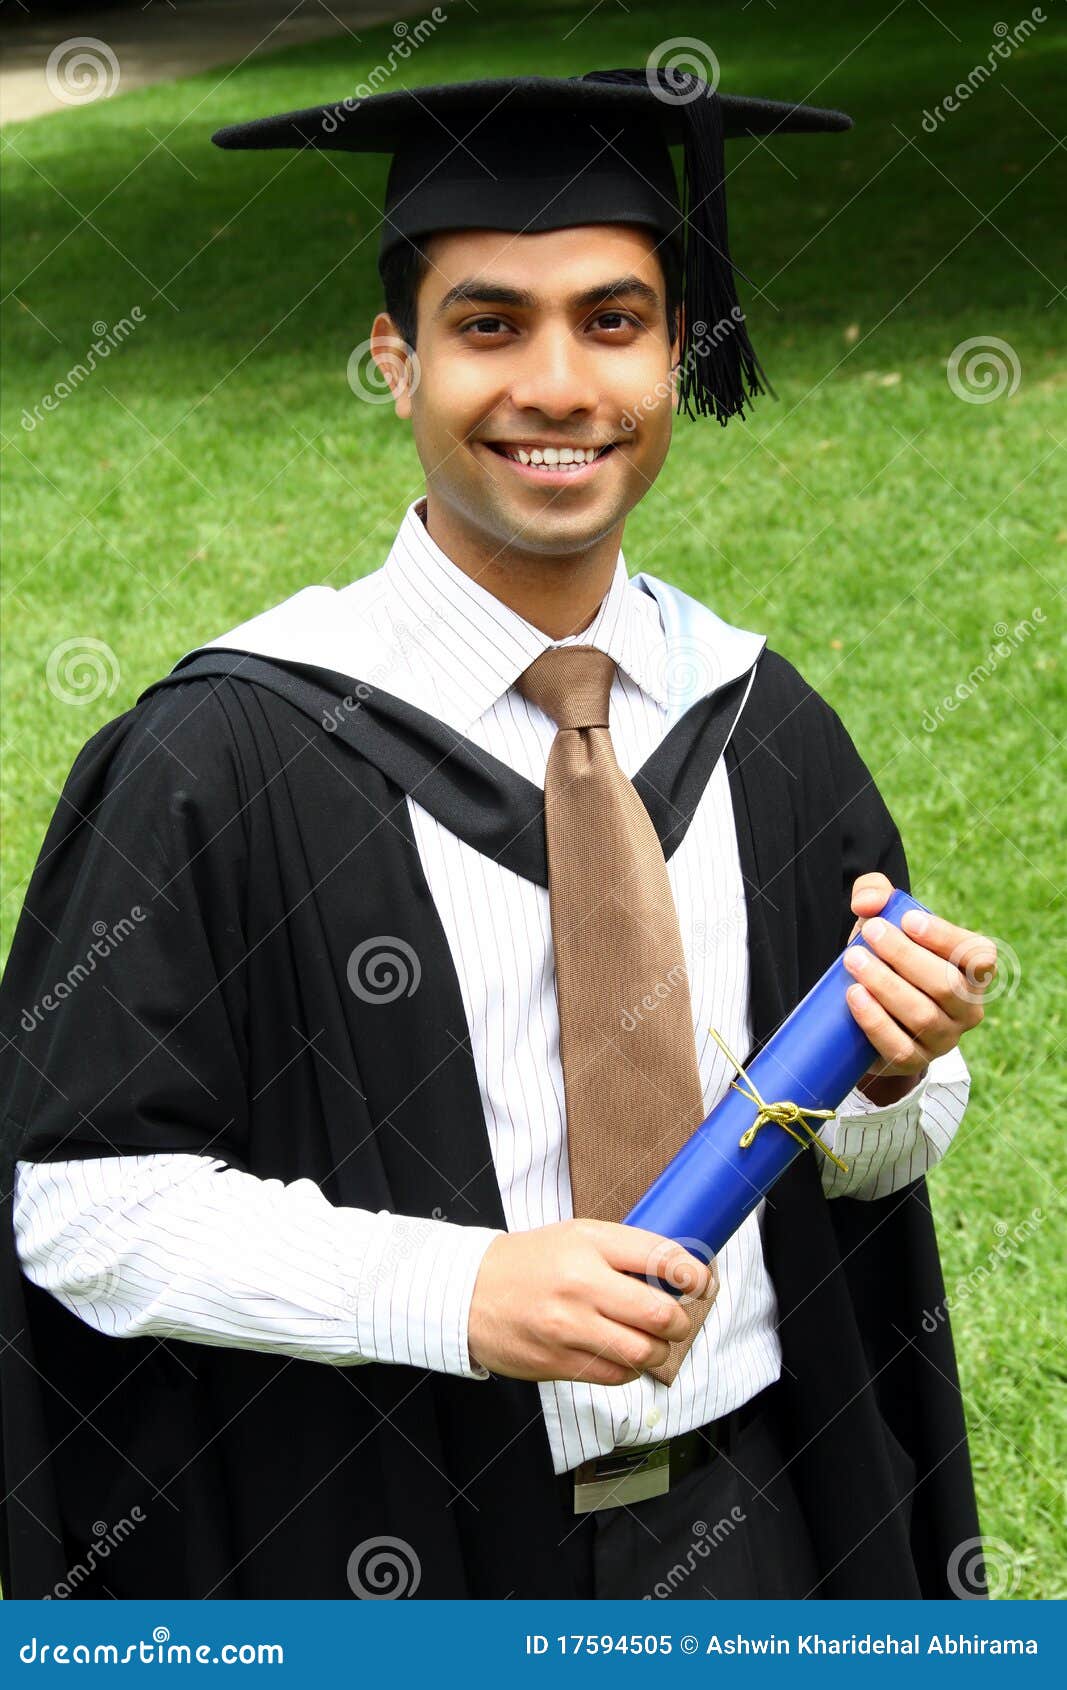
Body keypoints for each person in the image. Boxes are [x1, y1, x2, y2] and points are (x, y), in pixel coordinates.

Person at [0, 68, 994, 1600]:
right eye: (488, 325)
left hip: (751, 1524)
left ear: (679, 352)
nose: (558, 383)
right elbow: (77, 1204)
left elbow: (872, 1156)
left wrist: (891, 1076)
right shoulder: (229, 753)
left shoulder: (758, 723)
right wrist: (457, 1290)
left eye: (613, 320)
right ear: (395, 361)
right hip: (380, 1547)